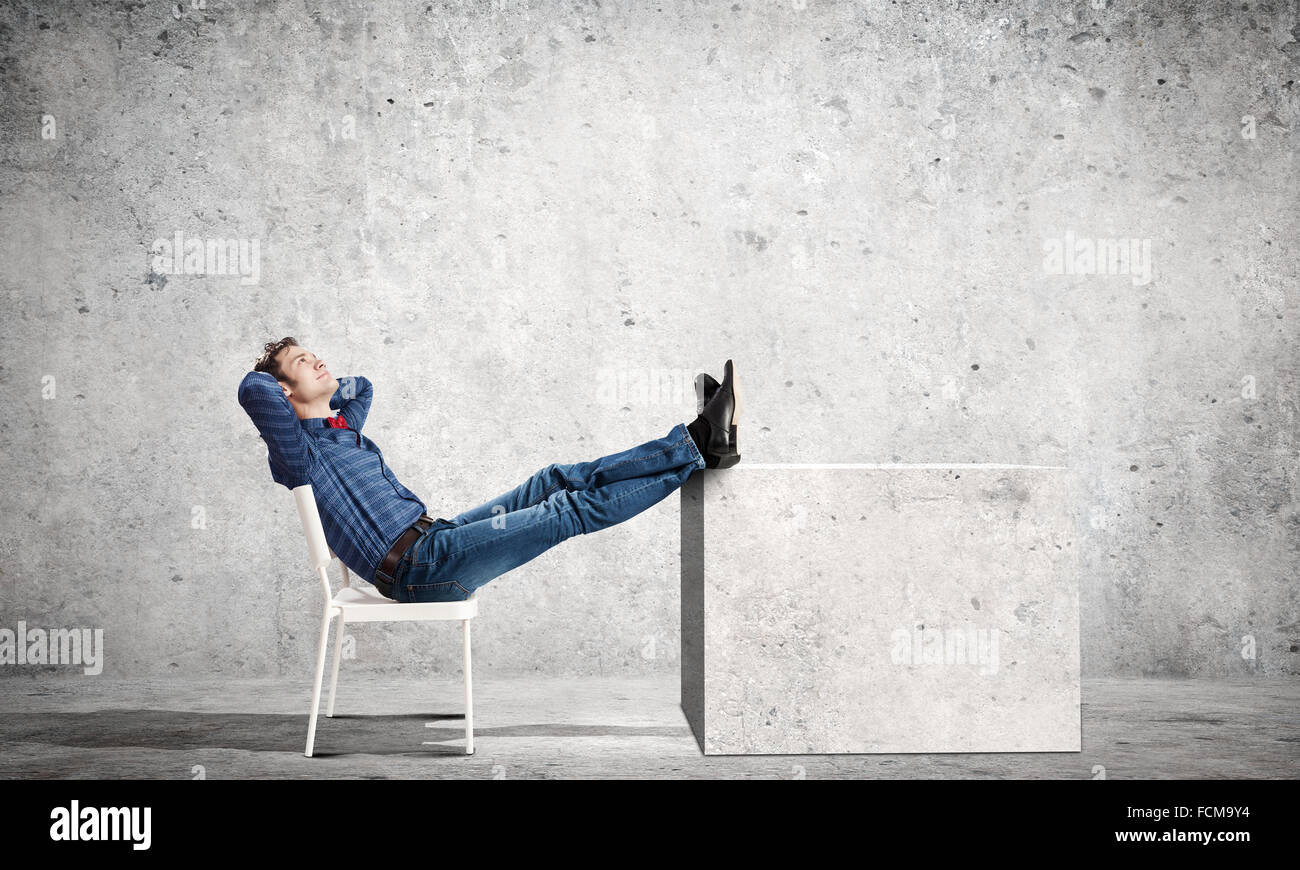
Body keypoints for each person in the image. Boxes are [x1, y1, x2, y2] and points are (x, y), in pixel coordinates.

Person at [236, 337, 742, 603]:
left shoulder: (342, 429)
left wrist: (314, 383)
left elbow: (362, 385)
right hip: (419, 572)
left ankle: (701, 441)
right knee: (567, 510)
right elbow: (251, 389)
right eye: (305, 362)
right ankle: (701, 443)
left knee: (551, 481)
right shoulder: (296, 455)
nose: (320, 362)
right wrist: (281, 381)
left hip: (438, 538)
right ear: (283, 391)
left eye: (317, 356)